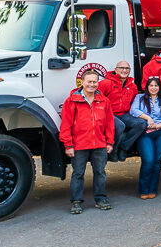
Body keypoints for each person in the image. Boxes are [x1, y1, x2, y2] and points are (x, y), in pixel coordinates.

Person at [60, 69, 114, 214]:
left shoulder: (104, 100)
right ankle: (76, 202)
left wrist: (109, 142)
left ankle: (101, 199)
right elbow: (66, 124)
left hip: (99, 144)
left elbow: (110, 123)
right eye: (89, 81)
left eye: (94, 82)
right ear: (82, 82)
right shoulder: (71, 101)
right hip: (79, 145)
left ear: (98, 83)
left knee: (100, 172)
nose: (92, 84)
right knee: (78, 173)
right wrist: (68, 144)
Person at [131, 76, 161, 199]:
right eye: (151, 85)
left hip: (160, 132)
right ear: (147, 87)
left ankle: (153, 189)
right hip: (145, 133)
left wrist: (159, 125)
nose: (153, 88)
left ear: (159, 87)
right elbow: (133, 110)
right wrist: (148, 118)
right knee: (148, 160)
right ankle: (143, 190)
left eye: (156, 85)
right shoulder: (139, 98)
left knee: (157, 161)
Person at [99, 61, 141, 162]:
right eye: (121, 68)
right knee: (120, 126)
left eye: (127, 69)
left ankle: (124, 148)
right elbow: (98, 98)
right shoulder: (106, 83)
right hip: (109, 114)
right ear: (116, 69)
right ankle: (113, 151)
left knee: (142, 124)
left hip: (124, 114)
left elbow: (133, 102)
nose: (124, 70)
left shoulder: (132, 86)